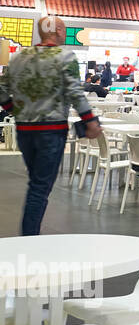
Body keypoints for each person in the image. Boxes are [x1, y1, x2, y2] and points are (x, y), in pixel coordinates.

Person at [0, 16, 101, 234]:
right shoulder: (65, 57)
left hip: (24, 130)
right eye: (63, 29)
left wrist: (13, 109)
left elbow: (1, 89)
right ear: (57, 31)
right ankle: (29, 237)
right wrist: (90, 121)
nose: (65, 33)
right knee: (39, 187)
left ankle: (30, 234)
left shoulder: (18, 57)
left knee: (36, 182)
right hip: (51, 131)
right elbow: (75, 92)